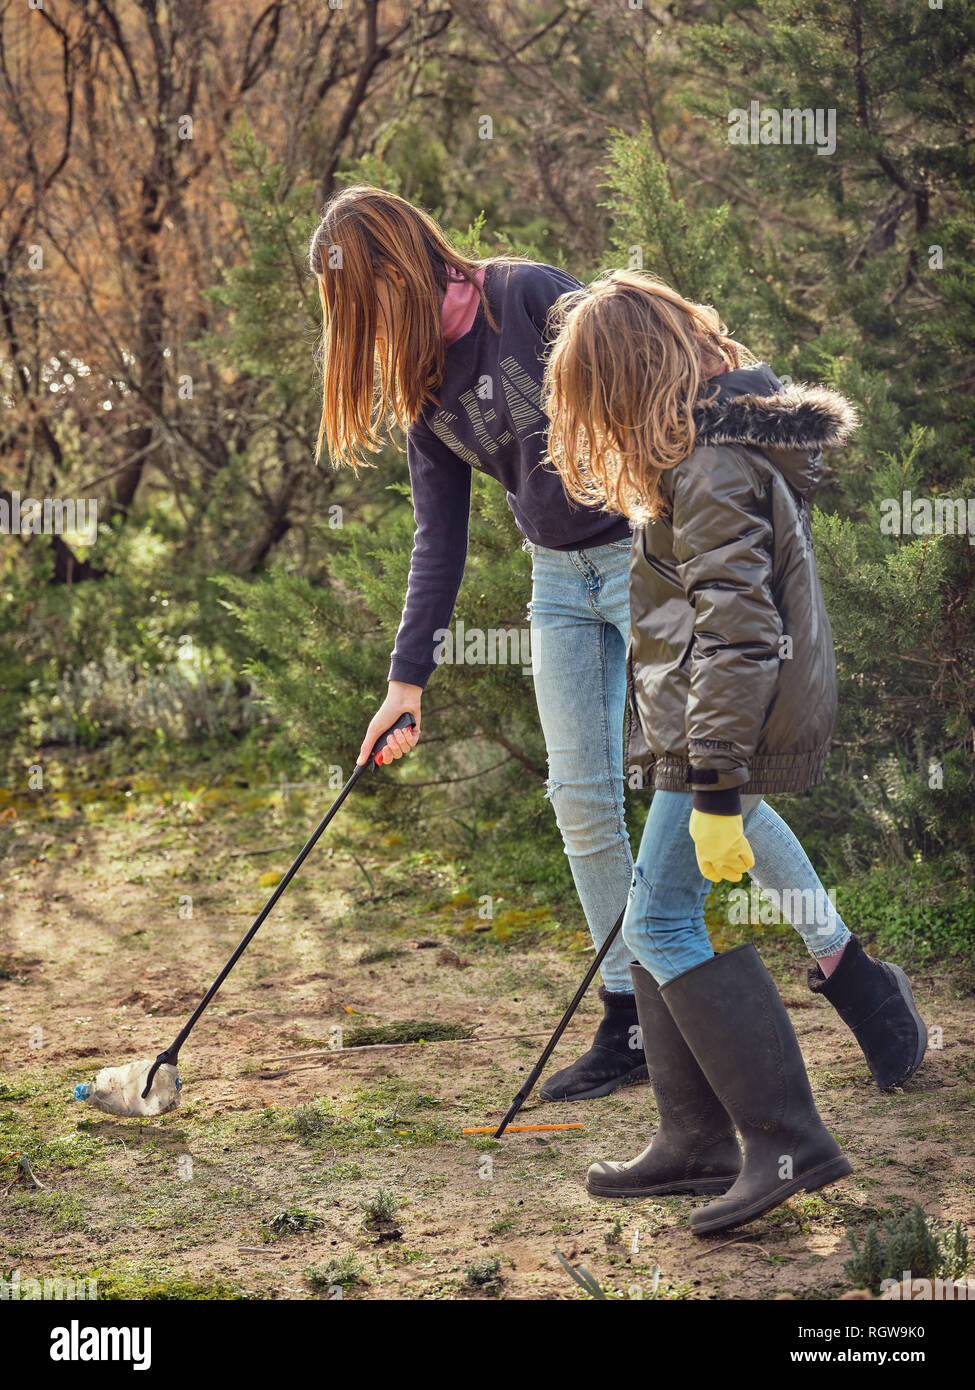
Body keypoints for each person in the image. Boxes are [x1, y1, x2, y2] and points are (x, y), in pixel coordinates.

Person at [308, 187, 924, 1109]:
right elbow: (438, 537)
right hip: (557, 583)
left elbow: (644, 363)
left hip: (648, 556)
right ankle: (631, 1019)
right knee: (581, 799)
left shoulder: (524, 297)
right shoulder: (421, 387)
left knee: (716, 786)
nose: (363, 338)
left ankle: (849, 972)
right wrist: (407, 680)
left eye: (362, 311)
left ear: (397, 270)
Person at [541, 270, 926, 1234]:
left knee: (662, 922)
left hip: (727, 737)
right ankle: (695, 1142)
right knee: (653, 914)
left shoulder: (711, 467)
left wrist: (712, 786)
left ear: (631, 382)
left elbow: (739, 638)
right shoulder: (704, 454)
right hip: (708, 731)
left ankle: (782, 1142)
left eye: (598, 400)